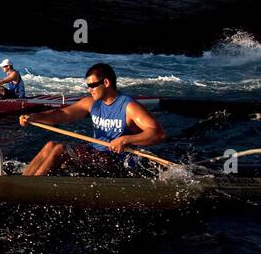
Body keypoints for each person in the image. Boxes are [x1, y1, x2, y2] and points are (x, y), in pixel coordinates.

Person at [17, 62, 165, 176]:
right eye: (88, 86)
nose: (89, 89)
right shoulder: (91, 103)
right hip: (96, 153)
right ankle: (24, 182)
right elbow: (62, 115)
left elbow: (158, 133)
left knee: (61, 150)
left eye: (92, 85)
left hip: (116, 161)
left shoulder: (129, 107)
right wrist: (34, 117)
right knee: (51, 145)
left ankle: (34, 185)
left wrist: (125, 140)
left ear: (106, 83)